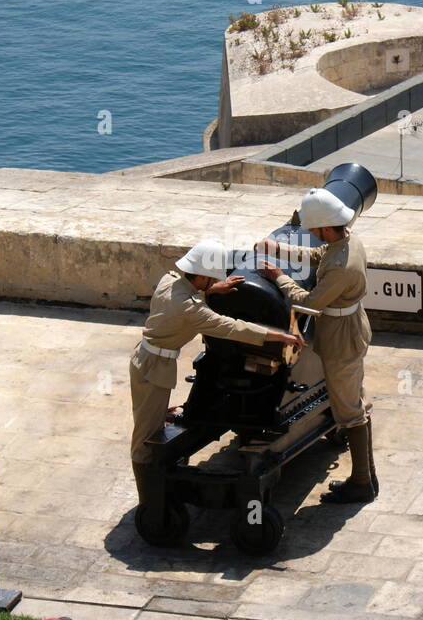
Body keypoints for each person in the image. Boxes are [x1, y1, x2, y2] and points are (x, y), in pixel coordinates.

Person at [130, 239, 303, 472]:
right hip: (155, 367)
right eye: (213, 278)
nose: (216, 281)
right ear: (202, 277)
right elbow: (231, 327)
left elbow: (186, 298)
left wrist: (210, 290)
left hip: (146, 359)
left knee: (152, 418)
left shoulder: (169, 280)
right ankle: (150, 502)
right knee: (146, 436)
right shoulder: (191, 308)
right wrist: (281, 336)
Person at [255, 187, 376, 503]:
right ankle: (368, 476)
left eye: (312, 228)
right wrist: (278, 249)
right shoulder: (345, 242)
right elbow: (317, 255)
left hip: (341, 336)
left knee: (350, 409)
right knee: (353, 400)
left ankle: (362, 483)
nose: (309, 232)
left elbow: (309, 303)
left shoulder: (341, 266)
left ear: (323, 226)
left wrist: (278, 276)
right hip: (348, 327)